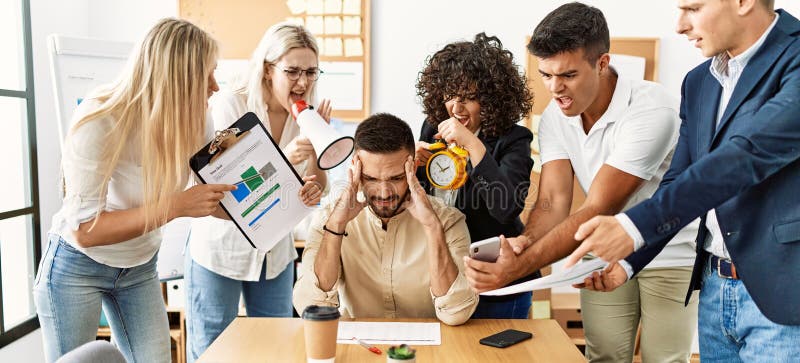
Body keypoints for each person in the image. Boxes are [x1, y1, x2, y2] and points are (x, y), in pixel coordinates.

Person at [463, 3, 700, 361]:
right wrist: (525, 241)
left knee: (663, 358)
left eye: (568, 75)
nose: (555, 88)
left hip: (668, 251)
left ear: (602, 63)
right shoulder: (556, 117)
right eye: (546, 75)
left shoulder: (652, 110)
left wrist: (517, 268)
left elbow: (601, 206)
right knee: (603, 356)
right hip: (602, 249)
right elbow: (554, 201)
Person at [566, 0, 800, 361]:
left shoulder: (795, 59)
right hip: (715, 289)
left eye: (693, 8)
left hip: (783, 297)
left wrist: (632, 226)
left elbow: (745, 155)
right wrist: (629, 262)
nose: (680, 25)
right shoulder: (699, 82)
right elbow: (677, 181)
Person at [33, 18, 233, 363]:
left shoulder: (197, 120)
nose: (215, 87)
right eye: (206, 76)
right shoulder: (100, 120)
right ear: (176, 78)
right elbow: (85, 231)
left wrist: (274, 200)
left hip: (139, 267)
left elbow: (208, 200)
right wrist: (175, 205)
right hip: (77, 267)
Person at [185, 22, 327, 362]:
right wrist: (284, 159)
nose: (303, 82)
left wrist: (312, 181)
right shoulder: (231, 106)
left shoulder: (306, 112)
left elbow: (318, 185)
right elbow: (228, 188)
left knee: (278, 349)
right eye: (292, 71)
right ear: (267, 69)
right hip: (221, 250)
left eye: (311, 72)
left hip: (274, 252)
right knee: (211, 352)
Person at [293, 113, 478, 326]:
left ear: (413, 167)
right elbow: (310, 306)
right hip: (359, 343)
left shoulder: (447, 221)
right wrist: (336, 226)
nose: (383, 193)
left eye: (396, 178)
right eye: (371, 178)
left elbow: (456, 313)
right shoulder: (331, 218)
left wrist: (432, 227)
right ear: (355, 168)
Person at [414, 33, 536, 319]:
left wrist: (472, 144)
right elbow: (422, 200)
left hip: (496, 283)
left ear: (491, 99)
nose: (456, 109)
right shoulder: (432, 128)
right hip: (444, 278)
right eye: (450, 96)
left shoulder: (514, 139)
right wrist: (410, 165)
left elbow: (506, 208)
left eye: (469, 98)